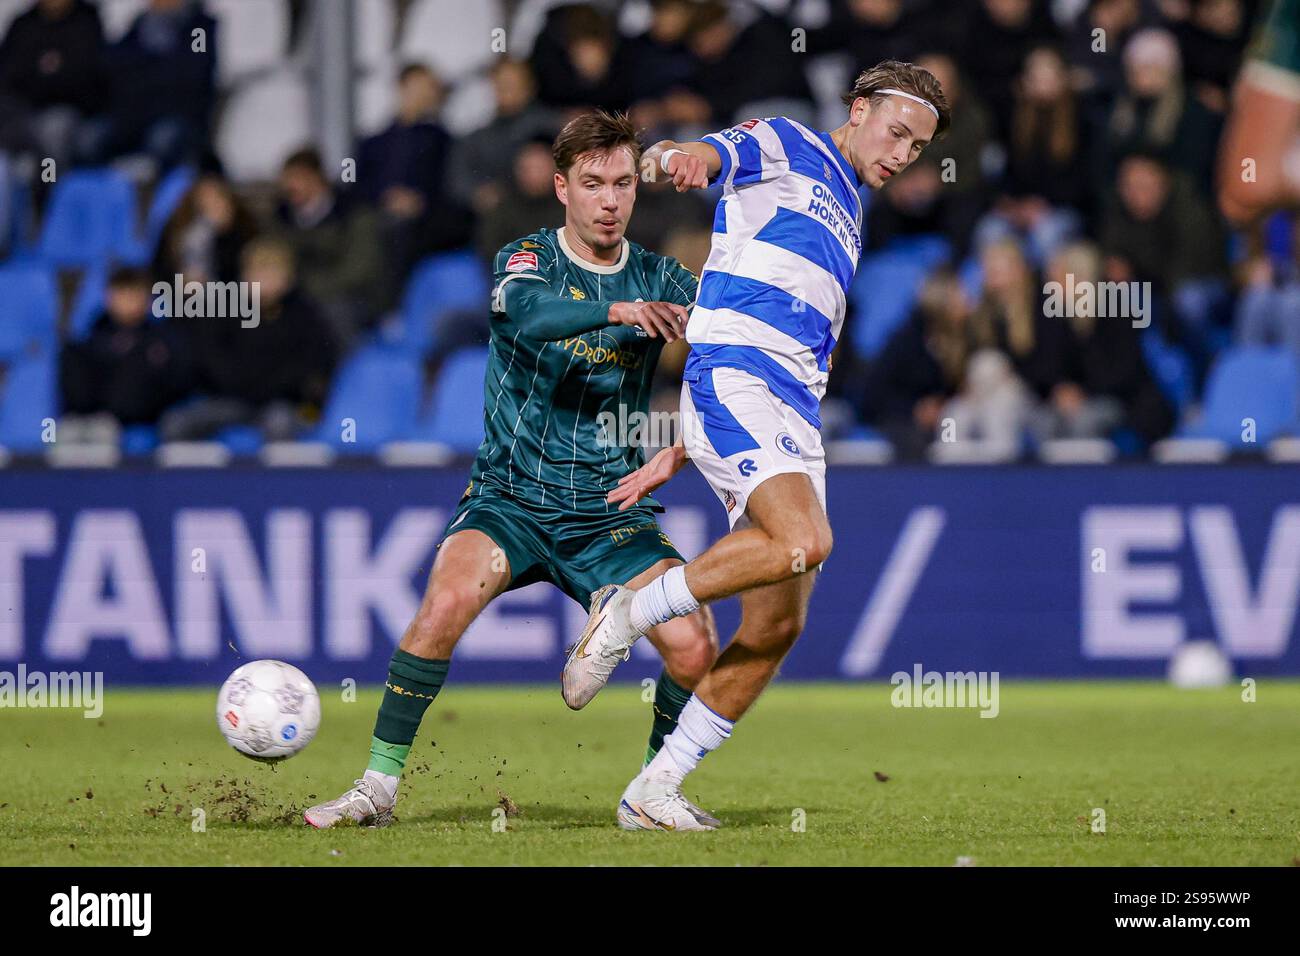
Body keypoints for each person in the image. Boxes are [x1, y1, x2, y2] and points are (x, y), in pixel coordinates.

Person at [303, 110, 718, 830]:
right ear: (562, 188)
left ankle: (653, 790)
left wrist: (687, 437)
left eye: (623, 183)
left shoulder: (662, 276)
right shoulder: (522, 258)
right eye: (593, 184)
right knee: (444, 604)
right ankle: (376, 788)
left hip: (608, 509)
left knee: (694, 644)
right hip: (511, 499)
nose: (610, 200)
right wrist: (615, 309)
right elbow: (529, 317)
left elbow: (726, 349)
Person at [562, 60, 949, 831]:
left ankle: (653, 790)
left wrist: (689, 445)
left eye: (919, 147)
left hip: (792, 407)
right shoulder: (791, 142)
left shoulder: (852, 207)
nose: (904, 154)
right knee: (805, 539)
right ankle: (631, 612)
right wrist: (678, 159)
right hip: (738, 371)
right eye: (898, 133)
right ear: (861, 108)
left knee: (779, 624)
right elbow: (710, 157)